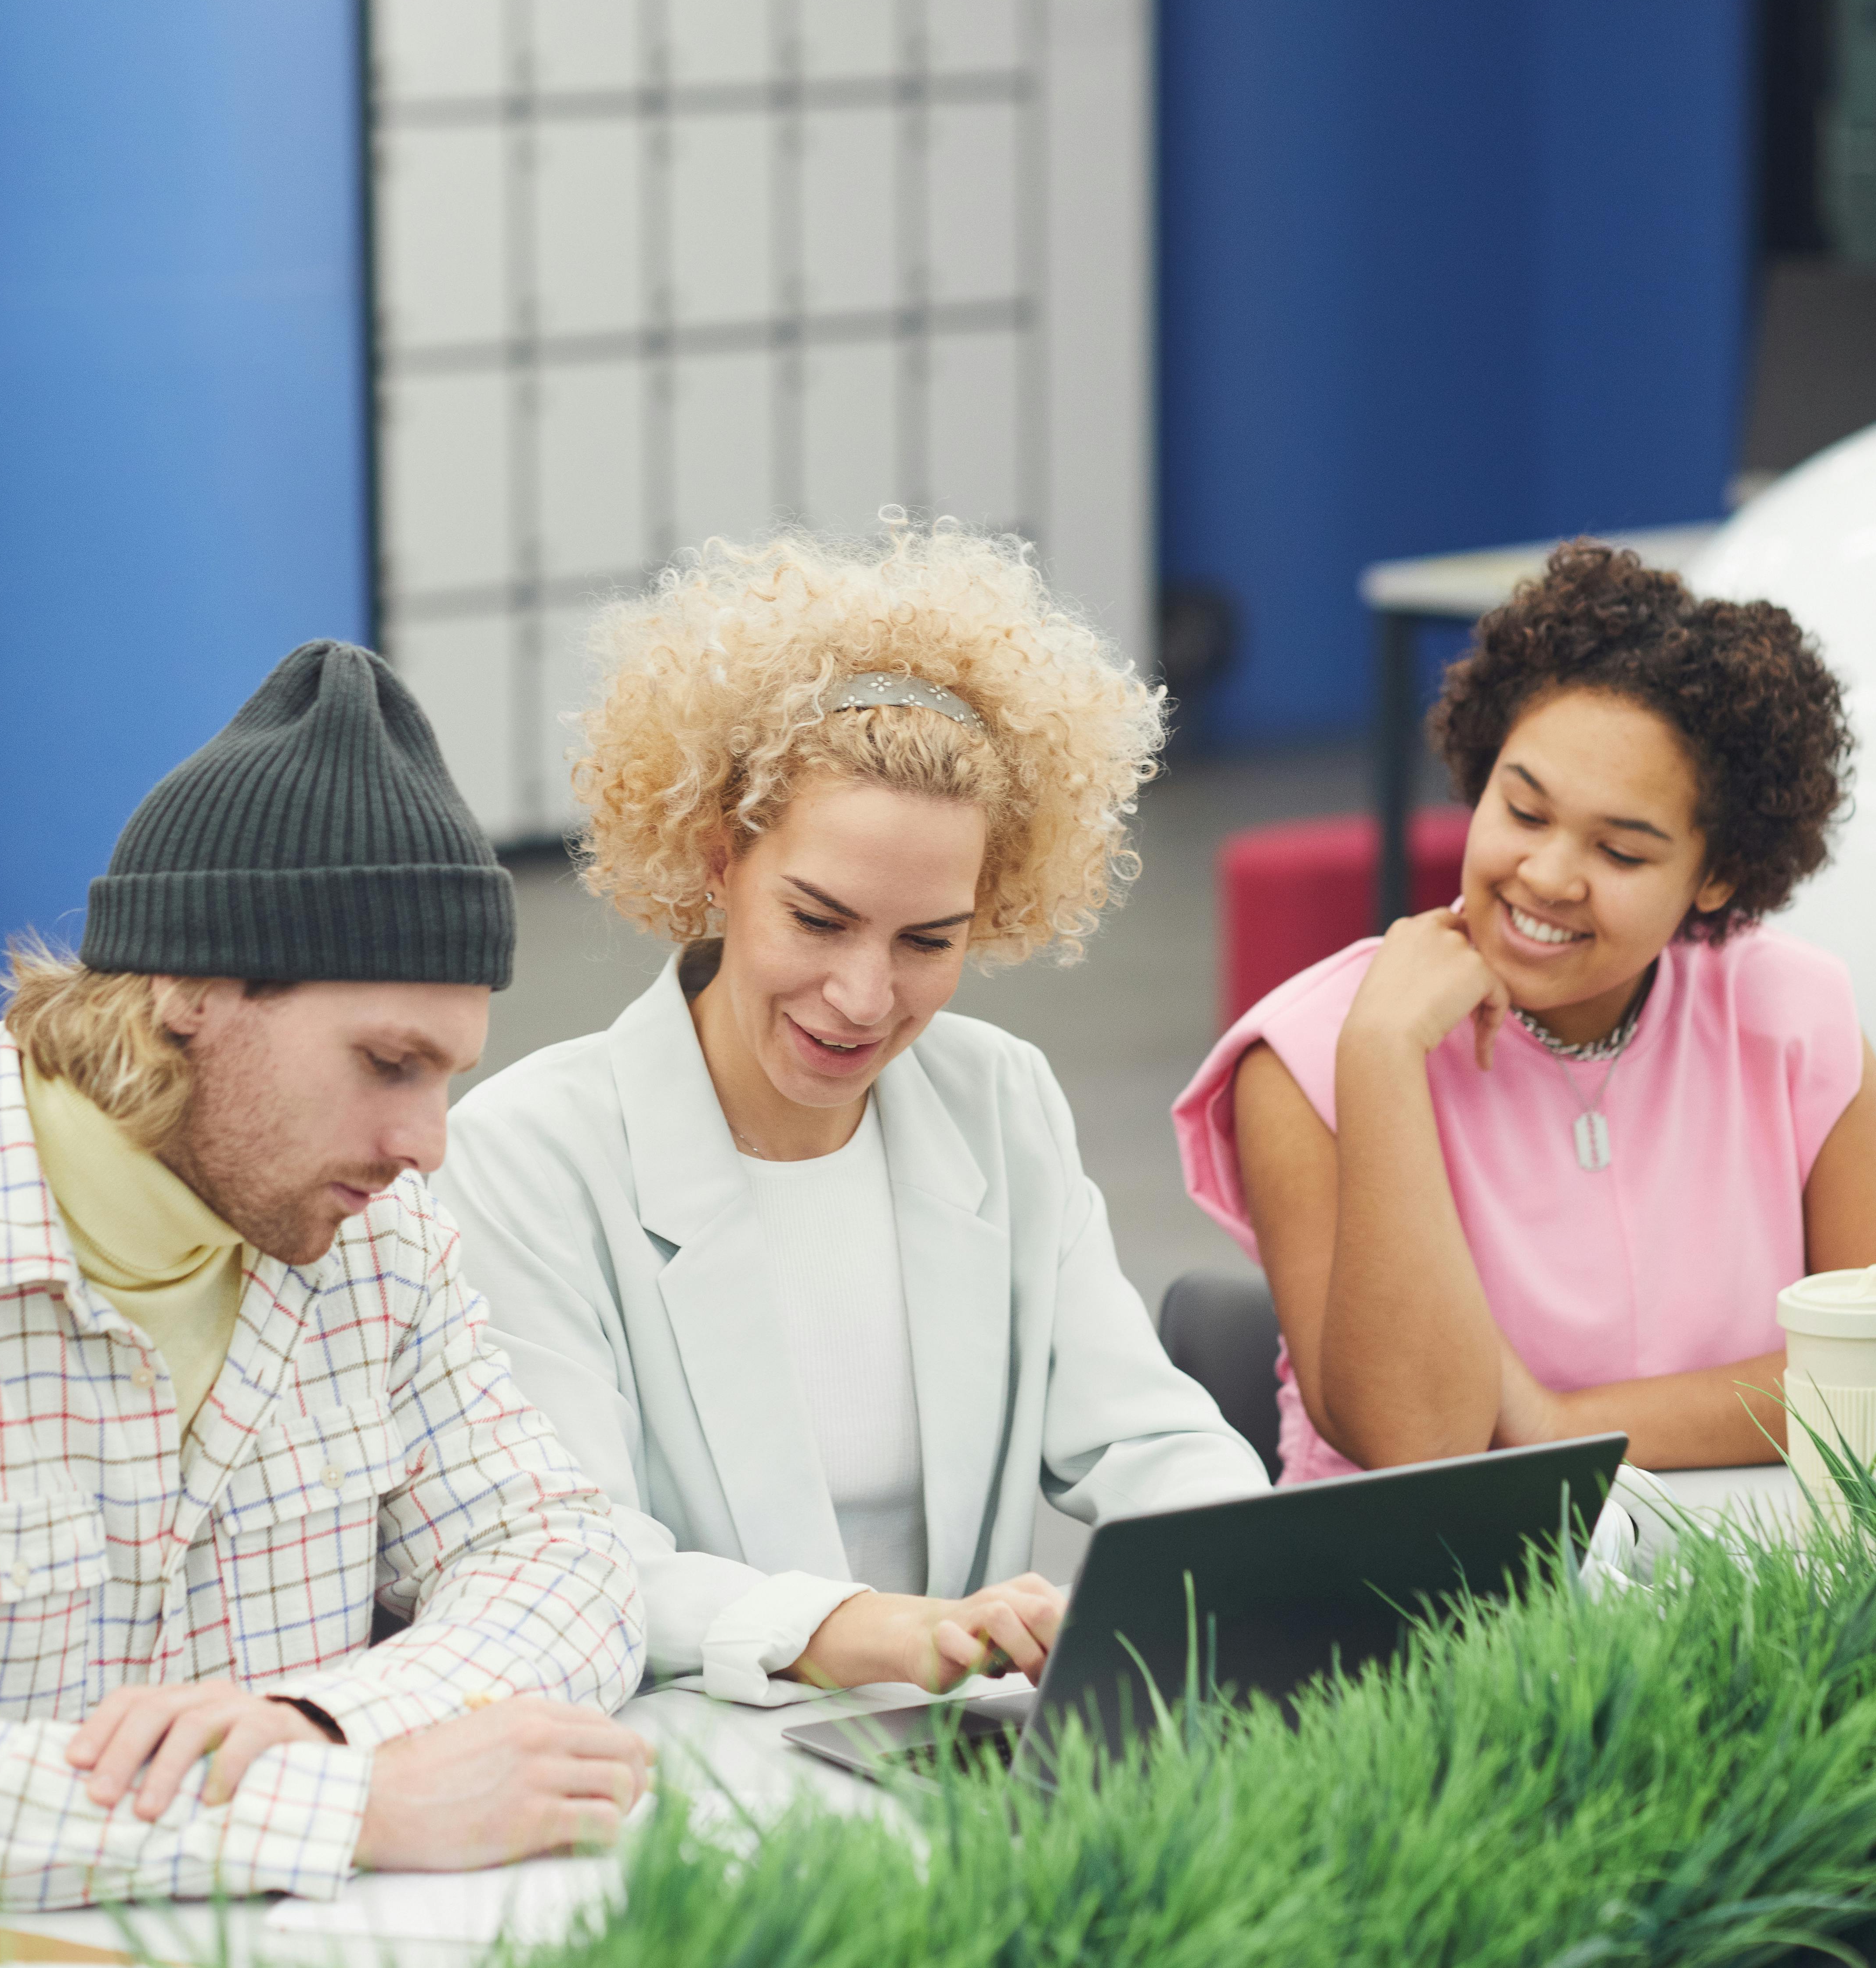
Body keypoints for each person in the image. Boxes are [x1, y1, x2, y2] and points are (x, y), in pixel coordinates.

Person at [436, 520, 1266, 1709]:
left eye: (931, 939)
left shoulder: (999, 1099)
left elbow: (1142, 1437)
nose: (865, 996)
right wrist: (864, 1630)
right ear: (718, 859)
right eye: (819, 919)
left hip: (955, 1759)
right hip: (693, 1764)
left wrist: (1224, 1567)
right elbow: (578, 1551)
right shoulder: (530, 1153)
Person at [0, 643, 650, 1911]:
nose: (427, 1142)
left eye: (447, 1072)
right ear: (186, 984)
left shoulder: (376, 1241)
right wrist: (354, 1803)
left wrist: (320, 1719)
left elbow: (566, 1554)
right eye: (389, 1061)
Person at [1175, 542, 1876, 1484]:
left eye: (1621, 853)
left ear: (1717, 876)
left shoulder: (1795, 1017)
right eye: (1524, 811)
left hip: (1735, 1576)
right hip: (1437, 1606)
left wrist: (1555, 1424)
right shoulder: (1305, 1054)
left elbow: (1859, 1377)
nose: (1546, 876)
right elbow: (1420, 1445)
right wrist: (1381, 1057)